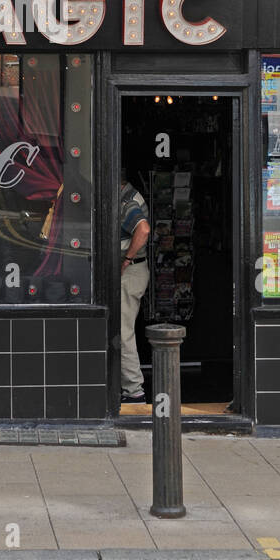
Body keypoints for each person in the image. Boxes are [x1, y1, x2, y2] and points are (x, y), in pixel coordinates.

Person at [119, 171, 151, 404]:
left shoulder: (126, 201)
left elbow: (143, 229)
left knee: (123, 332)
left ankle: (133, 390)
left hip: (131, 272)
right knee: (124, 329)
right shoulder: (131, 195)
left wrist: (127, 258)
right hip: (136, 271)